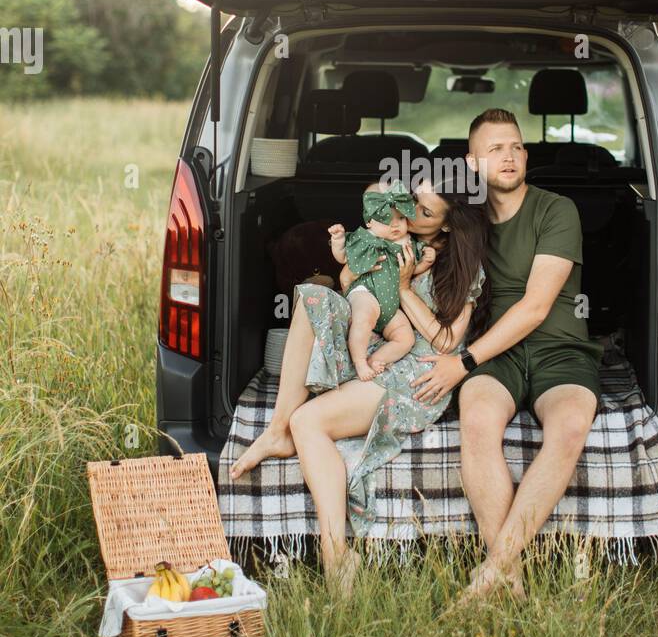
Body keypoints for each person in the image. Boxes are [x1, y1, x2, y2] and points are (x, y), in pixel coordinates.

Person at [228, 188, 488, 597]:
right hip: (374, 347)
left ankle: (336, 554)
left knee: (308, 421)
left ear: (448, 223)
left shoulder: (461, 267)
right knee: (312, 295)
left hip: (417, 376)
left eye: (422, 210)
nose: (408, 213)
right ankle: (277, 429)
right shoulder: (392, 238)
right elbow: (348, 280)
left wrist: (403, 287)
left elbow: (445, 341)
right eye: (408, 203)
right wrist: (362, 276)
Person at [411, 108, 603, 603]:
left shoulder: (555, 209)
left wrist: (463, 362)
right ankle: (510, 581)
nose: (509, 155)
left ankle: (494, 570)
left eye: (516, 146)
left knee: (570, 425)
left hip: (559, 350)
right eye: (494, 148)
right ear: (472, 164)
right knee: (475, 418)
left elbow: (536, 307)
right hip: (499, 355)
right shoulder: (465, 224)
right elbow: (399, 223)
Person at [329, 179, 435, 380]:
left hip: (391, 306)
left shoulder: (409, 244)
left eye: (401, 218)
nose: (395, 224)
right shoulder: (366, 238)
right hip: (366, 293)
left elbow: (410, 270)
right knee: (363, 319)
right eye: (386, 219)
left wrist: (425, 262)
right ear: (369, 221)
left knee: (406, 338)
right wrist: (338, 241)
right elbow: (343, 258)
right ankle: (359, 362)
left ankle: (376, 359)